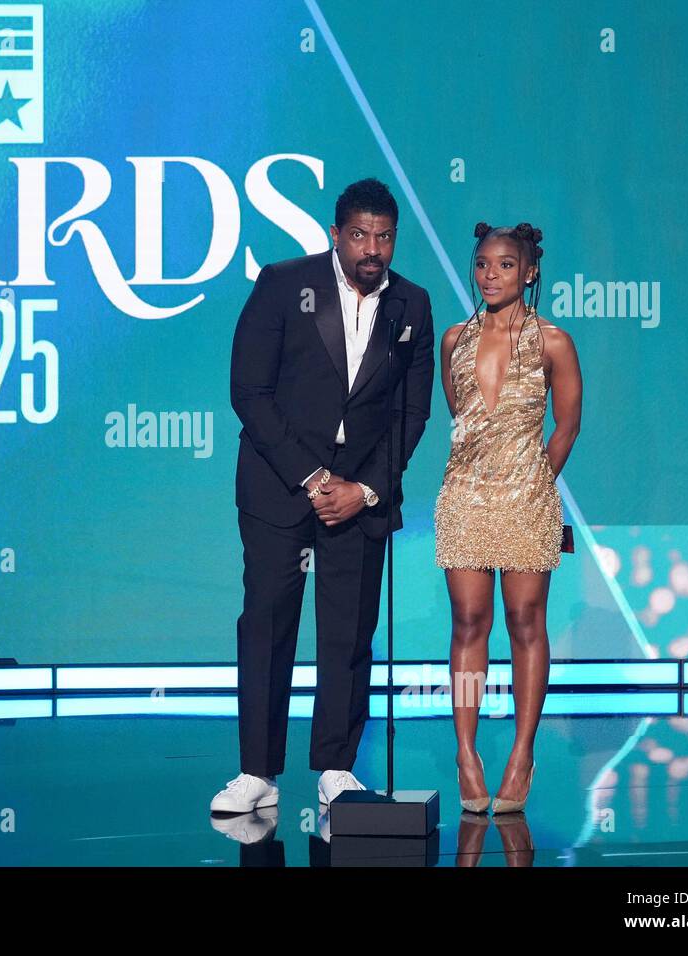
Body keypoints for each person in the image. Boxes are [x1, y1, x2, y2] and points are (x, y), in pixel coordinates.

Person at [211, 178, 435, 814]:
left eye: (384, 237)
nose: (373, 249)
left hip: (359, 496)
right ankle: (257, 773)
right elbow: (248, 391)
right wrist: (313, 478)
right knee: (268, 626)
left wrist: (364, 490)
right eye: (360, 235)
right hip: (280, 487)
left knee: (348, 634)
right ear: (335, 235)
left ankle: (337, 767)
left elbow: (411, 413)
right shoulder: (284, 284)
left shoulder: (412, 306)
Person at [435, 222, 582, 815]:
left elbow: (567, 424)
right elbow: (462, 418)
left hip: (528, 499)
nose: (490, 276)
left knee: (525, 621)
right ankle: (466, 752)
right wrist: (489, 473)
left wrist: (535, 478)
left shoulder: (554, 341)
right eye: (481, 265)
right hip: (465, 496)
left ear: (529, 272)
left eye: (503, 265)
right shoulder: (453, 340)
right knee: (469, 624)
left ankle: (522, 752)